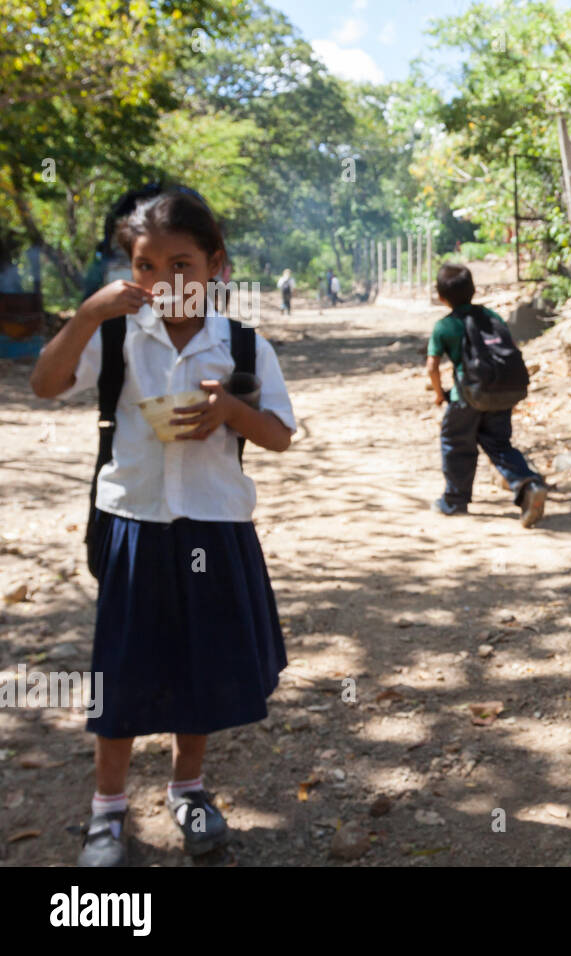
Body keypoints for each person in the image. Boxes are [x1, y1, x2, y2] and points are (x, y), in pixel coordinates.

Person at [29, 188, 297, 866]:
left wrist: (229, 413)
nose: (164, 282)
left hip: (215, 526)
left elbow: (279, 436)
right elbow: (46, 382)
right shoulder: (118, 335)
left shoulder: (242, 343)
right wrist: (88, 314)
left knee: (200, 668)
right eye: (146, 266)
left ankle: (189, 791)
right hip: (135, 524)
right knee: (122, 671)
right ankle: (107, 814)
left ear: (216, 267)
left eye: (182, 264)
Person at [427, 262, 547, 526]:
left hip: (465, 399)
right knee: (499, 445)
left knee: (455, 443)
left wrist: (439, 394)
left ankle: (454, 500)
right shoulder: (492, 317)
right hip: (500, 393)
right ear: (474, 290)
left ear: (441, 296)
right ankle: (528, 486)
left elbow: (432, 366)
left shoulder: (444, 327)